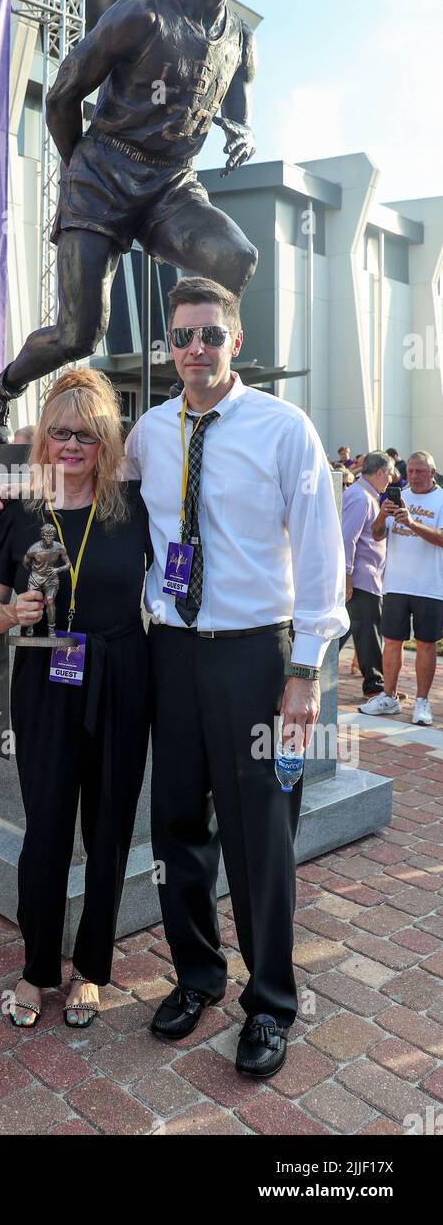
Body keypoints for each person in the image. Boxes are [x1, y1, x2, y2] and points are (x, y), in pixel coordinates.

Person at [125, 275, 347, 1078]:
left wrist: (305, 671)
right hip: (172, 652)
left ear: (236, 342)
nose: (194, 349)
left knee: (261, 837)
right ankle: (197, 977)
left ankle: (272, 1002)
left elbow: (323, 557)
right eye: (181, 336)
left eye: (210, 335)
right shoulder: (149, 433)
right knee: (179, 823)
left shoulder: (285, 429)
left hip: (258, 656)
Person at [0, 0, 271, 441]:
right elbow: (63, 94)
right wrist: (77, 173)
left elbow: (240, 102)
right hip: (104, 169)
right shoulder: (143, 11)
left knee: (237, 257)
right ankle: (6, 387)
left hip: (171, 185)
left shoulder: (239, 38)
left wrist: (243, 132)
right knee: (78, 335)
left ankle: (203, 381)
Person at [0, 369, 151, 1028]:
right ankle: (35, 968)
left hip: (121, 675)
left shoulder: (133, 507)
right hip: (44, 678)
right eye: (60, 432)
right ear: (43, 438)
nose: (72, 445)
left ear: (107, 438)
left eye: (87, 432)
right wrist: (10, 612)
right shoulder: (20, 509)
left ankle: (92, 970)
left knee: (107, 832)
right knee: (46, 828)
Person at [359, 450, 443, 726]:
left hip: (429, 585)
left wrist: (411, 522)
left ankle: (421, 702)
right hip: (395, 583)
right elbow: (377, 534)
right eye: (411, 472)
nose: (415, 476)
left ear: (432, 473)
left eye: (421, 471)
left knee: (425, 644)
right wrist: (383, 516)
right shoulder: (399, 496)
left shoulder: (440, 499)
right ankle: (389, 696)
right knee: (392, 642)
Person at [340, 452, 395, 697]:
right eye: (390, 473)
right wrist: (347, 575)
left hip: (366, 577)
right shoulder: (361, 498)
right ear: (380, 472)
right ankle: (375, 684)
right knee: (367, 631)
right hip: (361, 578)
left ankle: (376, 683)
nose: (392, 479)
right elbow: (347, 538)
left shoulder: (365, 495)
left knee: (355, 631)